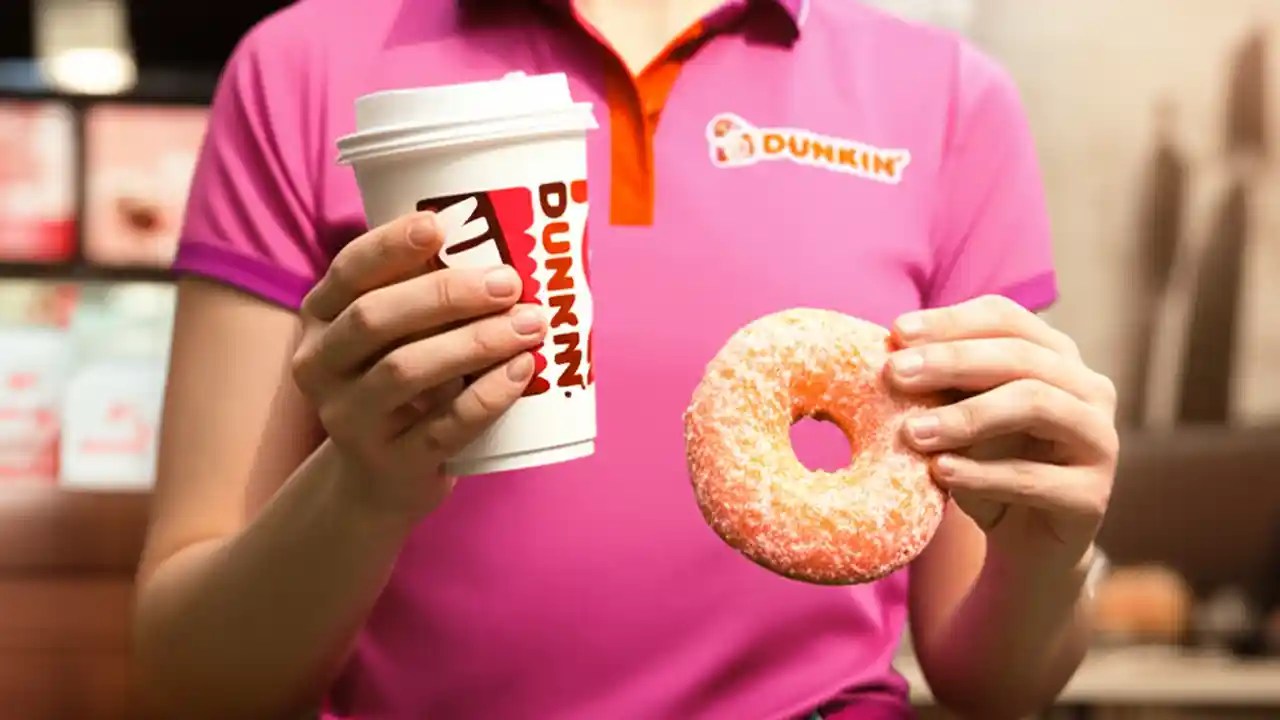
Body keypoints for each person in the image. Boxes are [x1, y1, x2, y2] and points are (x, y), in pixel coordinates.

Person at [133, 1, 1120, 718]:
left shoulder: (943, 98)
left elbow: (992, 685)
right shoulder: (303, 66)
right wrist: (361, 488)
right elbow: (193, 681)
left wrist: (1046, 556)